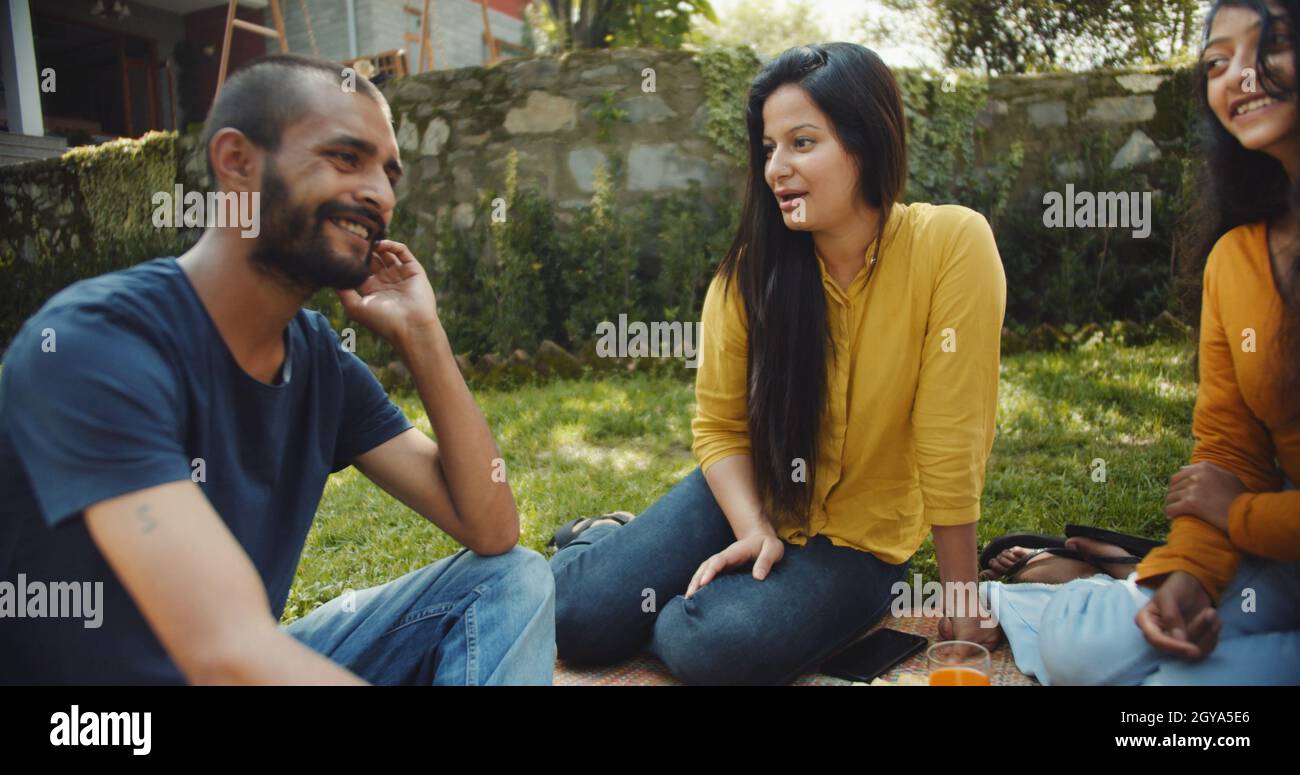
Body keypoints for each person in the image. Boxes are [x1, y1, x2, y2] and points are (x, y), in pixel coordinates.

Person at [0, 55, 554, 685]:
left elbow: (490, 528)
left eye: (388, 172)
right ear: (237, 162)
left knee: (509, 579)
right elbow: (224, 651)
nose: (379, 193)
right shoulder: (93, 345)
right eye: (347, 158)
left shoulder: (317, 360)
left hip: (243, 654)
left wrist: (423, 335)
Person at [549, 43, 1008, 685]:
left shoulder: (953, 245)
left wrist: (962, 591)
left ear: (866, 142)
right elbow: (720, 429)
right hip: (750, 492)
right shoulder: (748, 277)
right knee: (573, 617)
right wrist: (753, 528)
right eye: (768, 149)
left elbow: (949, 433)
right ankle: (604, 543)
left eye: (801, 142)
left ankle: (650, 579)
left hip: (857, 547)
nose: (776, 169)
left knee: (705, 644)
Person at [981, 0, 1300, 685]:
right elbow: (1229, 449)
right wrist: (1191, 574)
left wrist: (1240, 515)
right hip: (1279, 552)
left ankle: (1124, 571)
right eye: (1217, 62)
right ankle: (1118, 573)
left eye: (1270, 45)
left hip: (1271, 528)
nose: (1238, 76)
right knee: (1082, 652)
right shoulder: (1238, 258)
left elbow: (1230, 495)